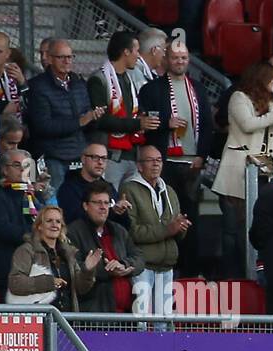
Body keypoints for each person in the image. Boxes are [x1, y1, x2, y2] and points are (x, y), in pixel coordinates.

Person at [137, 41, 212, 277]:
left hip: (192, 164)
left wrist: (202, 155)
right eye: (175, 57)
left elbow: (208, 125)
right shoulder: (151, 89)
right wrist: (165, 125)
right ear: (166, 59)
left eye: (184, 58)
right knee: (165, 216)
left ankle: (190, 271)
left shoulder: (198, 88)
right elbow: (145, 125)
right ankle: (167, 267)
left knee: (191, 217)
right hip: (165, 162)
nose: (180, 62)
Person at [214, 63, 273, 279]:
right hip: (237, 173)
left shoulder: (271, 103)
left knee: (253, 227)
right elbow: (248, 124)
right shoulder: (239, 98)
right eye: (272, 79)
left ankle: (251, 274)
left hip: (264, 174)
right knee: (232, 230)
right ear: (260, 78)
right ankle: (230, 277)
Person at [121, 146, 187, 319]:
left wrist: (181, 228)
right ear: (139, 165)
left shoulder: (169, 191)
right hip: (144, 266)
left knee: (165, 321)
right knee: (141, 320)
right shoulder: (129, 190)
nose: (156, 164)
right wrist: (167, 230)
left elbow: (177, 231)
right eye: (150, 160)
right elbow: (132, 232)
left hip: (167, 266)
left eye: (159, 160)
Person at [26, 40, 102, 191]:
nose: (67, 61)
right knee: (53, 201)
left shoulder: (79, 83)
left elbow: (86, 116)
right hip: (53, 157)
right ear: (50, 59)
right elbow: (42, 126)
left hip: (79, 154)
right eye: (61, 57)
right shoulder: (37, 86)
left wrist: (94, 118)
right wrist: (79, 122)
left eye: (70, 57)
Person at [87, 31, 155, 188]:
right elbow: (101, 120)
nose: (138, 56)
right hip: (110, 156)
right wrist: (138, 124)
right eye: (136, 51)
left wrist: (142, 119)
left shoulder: (129, 79)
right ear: (126, 52)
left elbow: (132, 113)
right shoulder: (99, 80)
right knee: (110, 203)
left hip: (132, 154)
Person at [67, 180, 144, 316]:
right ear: (85, 206)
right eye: (97, 203)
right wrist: (109, 270)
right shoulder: (73, 232)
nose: (103, 207)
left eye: (106, 203)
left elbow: (139, 258)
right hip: (95, 315)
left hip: (127, 315)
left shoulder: (119, 230)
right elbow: (74, 269)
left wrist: (124, 265)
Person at [6, 205, 98, 311]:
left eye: (58, 221)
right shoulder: (26, 251)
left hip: (67, 319)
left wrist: (87, 270)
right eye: (49, 221)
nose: (54, 224)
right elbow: (15, 283)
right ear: (39, 226)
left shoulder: (68, 253)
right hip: (39, 319)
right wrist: (48, 282)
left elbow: (81, 288)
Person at [0, 150, 49, 299]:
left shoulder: (33, 196)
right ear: (5, 170)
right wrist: (34, 236)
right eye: (16, 165)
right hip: (10, 271)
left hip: (35, 271)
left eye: (26, 165)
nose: (22, 169)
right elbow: (2, 229)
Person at [57, 143, 129, 228]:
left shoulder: (109, 188)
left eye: (104, 158)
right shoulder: (68, 188)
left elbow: (125, 227)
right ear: (83, 159)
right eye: (95, 157)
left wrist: (121, 213)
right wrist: (112, 212)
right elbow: (74, 221)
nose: (100, 162)